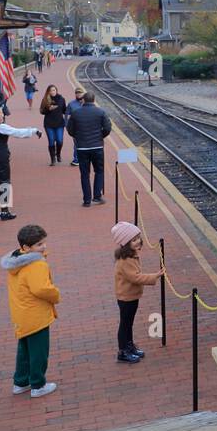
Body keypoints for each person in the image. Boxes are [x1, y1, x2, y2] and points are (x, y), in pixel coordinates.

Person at [2, 224, 60, 398]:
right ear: (27, 247)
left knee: (25, 350)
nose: (44, 247)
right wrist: (56, 295)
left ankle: (20, 381)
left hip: (21, 314)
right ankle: (37, 384)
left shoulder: (15, 261)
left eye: (43, 243)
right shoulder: (37, 264)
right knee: (39, 351)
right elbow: (41, 289)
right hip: (36, 315)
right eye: (39, 245)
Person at [0, 105, 43, 221]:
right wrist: (33, 130)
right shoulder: (0, 127)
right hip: (0, 158)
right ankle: (4, 211)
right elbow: (17, 132)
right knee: (4, 183)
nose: (2, 115)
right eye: (0, 113)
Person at [111, 222, 163, 363]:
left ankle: (129, 346)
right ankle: (123, 351)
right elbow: (135, 277)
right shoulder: (126, 260)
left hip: (131, 296)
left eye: (138, 238)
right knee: (125, 324)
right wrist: (155, 276)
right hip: (126, 297)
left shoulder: (131, 255)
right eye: (134, 240)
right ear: (125, 243)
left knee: (129, 323)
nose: (138, 241)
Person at [67, 91, 112, 207]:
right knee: (99, 171)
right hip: (97, 147)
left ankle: (87, 200)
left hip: (82, 148)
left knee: (84, 174)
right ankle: (97, 196)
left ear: (83, 100)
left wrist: (78, 137)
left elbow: (70, 129)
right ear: (93, 99)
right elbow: (107, 127)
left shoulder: (76, 113)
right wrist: (100, 136)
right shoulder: (101, 112)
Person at [39, 85, 68, 166]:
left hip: (59, 123)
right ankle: (53, 159)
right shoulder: (45, 100)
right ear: (48, 91)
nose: (52, 92)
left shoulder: (61, 99)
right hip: (49, 124)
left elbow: (64, 110)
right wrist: (48, 109)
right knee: (51, 141)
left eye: (54, 90)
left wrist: (70, 109)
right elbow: (41, 111)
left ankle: (58, 154)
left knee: (59, 140)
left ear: (56, 90)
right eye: (51, 90)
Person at [65, 86, 86, 166]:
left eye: (80, 93)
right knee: (77, 144)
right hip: (76, 128)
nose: (78, 94)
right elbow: (66, 116)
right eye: (77, 93)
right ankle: (76, 159)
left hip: (86, 127)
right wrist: (67, 127)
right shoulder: (71, 104)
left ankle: (84, 159)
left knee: (85, 143)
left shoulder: (87, 103)